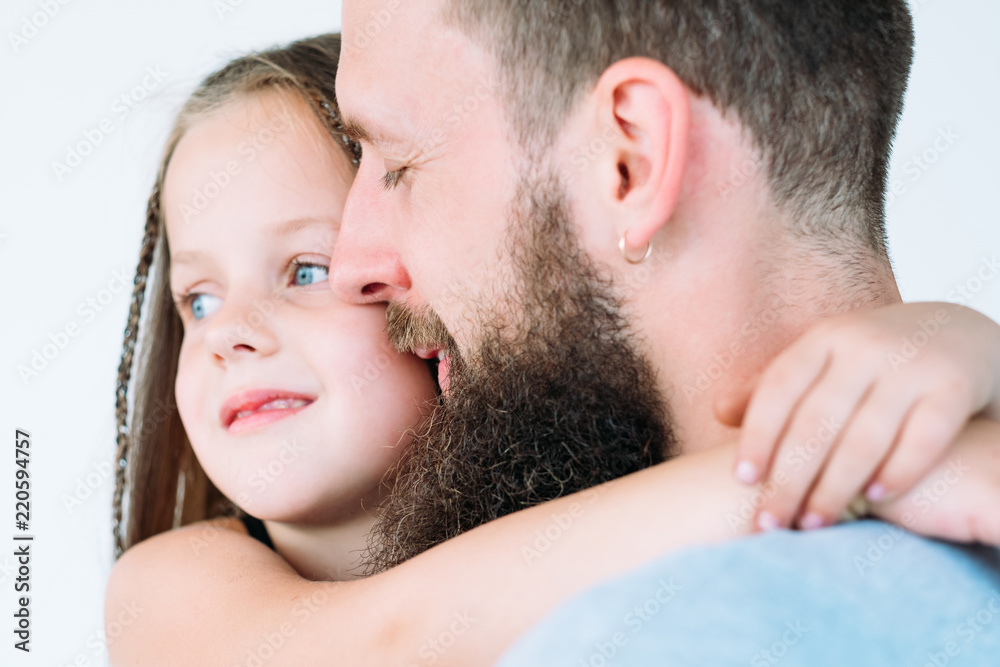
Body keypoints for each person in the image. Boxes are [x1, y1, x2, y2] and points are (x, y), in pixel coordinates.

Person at [105, 25, 1000, 667]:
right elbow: (383, 640)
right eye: (198, 298)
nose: (230, 335)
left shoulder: (576, 488)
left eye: (305, 269)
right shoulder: (178, 583)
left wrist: (954, 352)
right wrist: (870, 466)